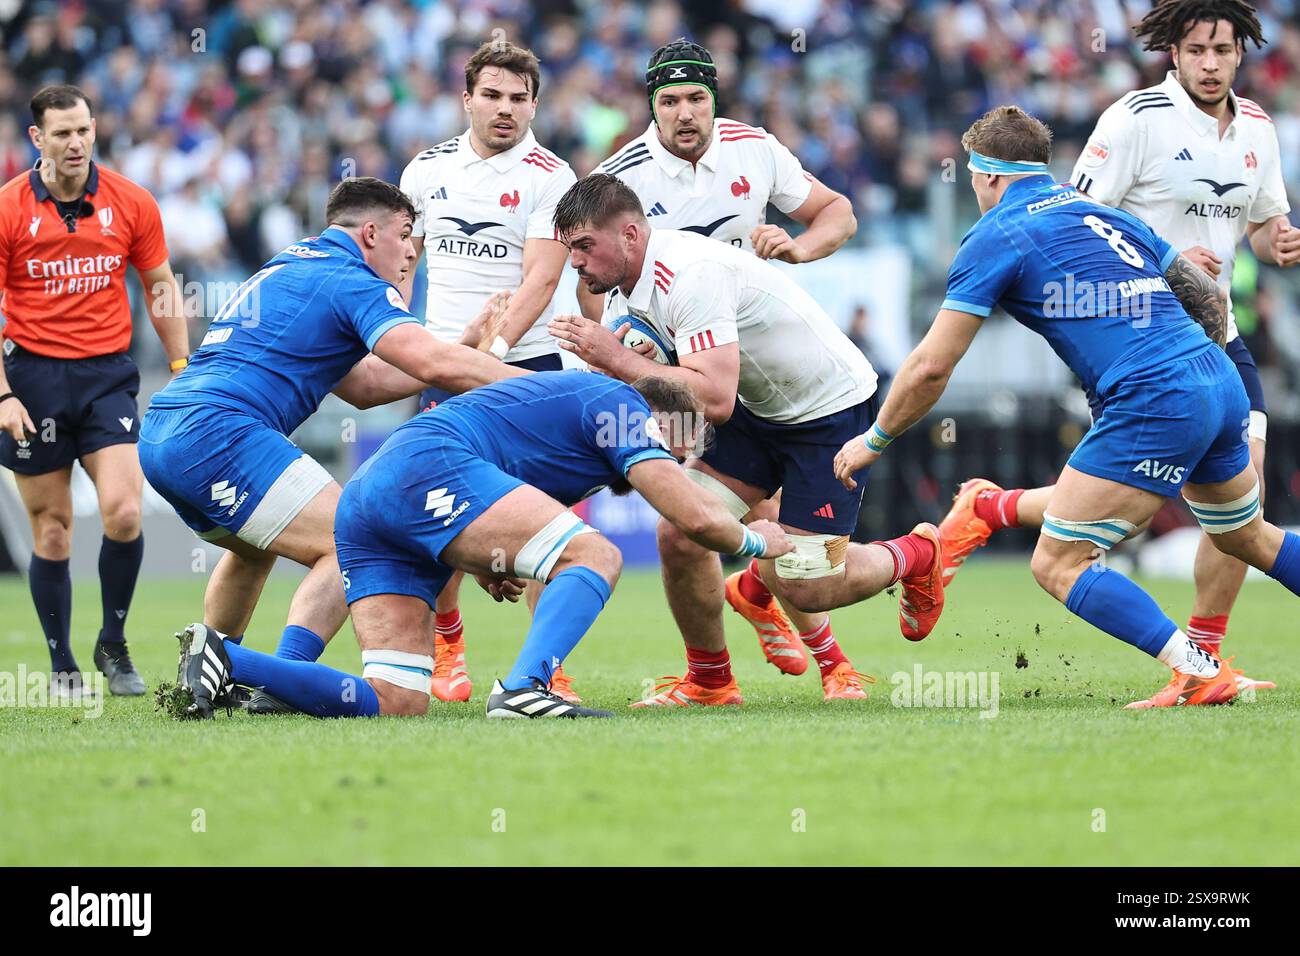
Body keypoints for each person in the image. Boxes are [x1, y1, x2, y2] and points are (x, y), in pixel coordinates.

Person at [833, 105, 1300, 709]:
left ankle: (1199, 671)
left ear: (988, 176)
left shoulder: (998, 231)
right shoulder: (1103, 213)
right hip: (1216, 377)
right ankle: (987, 508)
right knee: (1249, 537)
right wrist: (1188, 369)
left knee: (1059, 562)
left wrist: (873, 440)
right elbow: (1209, 299)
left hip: (1155, 398)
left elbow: (930, 366)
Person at [940, 0, 1297, 691]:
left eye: (1224, 50)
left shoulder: (1259, 128)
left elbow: (1261, 226)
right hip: (1145, 340)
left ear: (1242, 53)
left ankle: (1201, 662)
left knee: (1240, 522)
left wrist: (1274, 242)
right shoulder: (1134, 121)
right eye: (1197, 50)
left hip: (1219, 335)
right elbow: (1076, 223)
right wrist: (1162, 261)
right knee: (1214, 516)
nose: (1211, 62)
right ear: (1174, 51)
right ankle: (1198, 666)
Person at [170, 371, 793, 720]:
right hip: (425, 467)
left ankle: (230, 661)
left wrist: (489, 560)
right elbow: (692, 518)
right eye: (674, 450)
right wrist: (752, 538)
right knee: (596, 554)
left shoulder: (570, 426)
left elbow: (500, 502)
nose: (671, 464)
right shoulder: (621, 402)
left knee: (398, 701)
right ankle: (524, 688)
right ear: (660, 419)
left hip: (374, 497)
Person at [550, 174, 945, 707]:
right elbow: (680, 399)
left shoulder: (691, 274)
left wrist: (615, 360)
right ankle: (710, 682)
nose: (574, 262)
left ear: (629, 235)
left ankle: (916, 554)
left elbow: (713, 397)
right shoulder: (625, 299)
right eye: (569, 248)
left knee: (807, 585)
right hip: (754, 412)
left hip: (825, 410)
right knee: (681, 530)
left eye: (583, 246)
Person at [140, 176, 519, 709]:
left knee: (252, 548)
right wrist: (535, 385)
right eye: (405, 234)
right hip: (220, 429)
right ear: (370, 233)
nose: (411, 251)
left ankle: (209, 674)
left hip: (165, 430)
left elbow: (365, 386)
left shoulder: (292, 264)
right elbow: (427, 362)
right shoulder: (351, 278)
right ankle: (281, 679)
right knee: (352, 537)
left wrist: (462, 346)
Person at [581, 38, 861, 685]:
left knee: (754, 522)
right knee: (702, 527)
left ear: (715, 100)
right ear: (651, 107)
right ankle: (772, 661)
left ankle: (761, 616)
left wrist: (796, 246)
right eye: (670, 100)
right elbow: (589, 275)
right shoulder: (622, 175)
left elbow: (837, 214)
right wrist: (623, 339)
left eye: (696, 98)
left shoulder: (754, 149)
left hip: (758, 367)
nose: (685, 112)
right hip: (683, 380)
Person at [398, 40, 577, 704]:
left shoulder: (552, 176)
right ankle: (448, 646)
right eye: (493, 95)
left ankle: (543, 664)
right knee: (440, 516)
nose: (506, 109)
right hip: (442, 363)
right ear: (466, 97)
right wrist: (397, 338)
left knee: (544, 522)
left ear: (535, 104)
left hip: (522, 369)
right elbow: (399, 267)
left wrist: (491, 351)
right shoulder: (425, 170)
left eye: (519, 98)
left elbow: (541, 279)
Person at [0, 84, 190, 697]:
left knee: (125, 512)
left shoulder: (131, 201)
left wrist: (183, 365)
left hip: (107, 376)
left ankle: (113, 641)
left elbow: (159, 284)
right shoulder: (8, 210)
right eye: (62, 133)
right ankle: (60, 665)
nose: (76, 142)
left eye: (83, 129)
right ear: (37, 139)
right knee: (53, 528)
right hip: (31, 381)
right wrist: (3, 395)